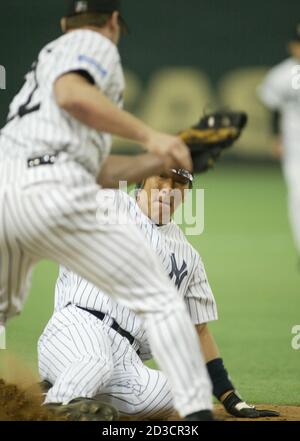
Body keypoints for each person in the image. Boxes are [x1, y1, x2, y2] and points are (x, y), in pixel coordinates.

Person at [0, 0, 213, 421]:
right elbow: (72, 94)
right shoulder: (92, 45)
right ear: (113, 22)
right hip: (47, 197)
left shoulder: (43, 70)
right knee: (150, 307)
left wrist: (158, 160)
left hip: (16, 189)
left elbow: (101, 169)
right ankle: (60, 404)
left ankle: (56, 392)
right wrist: (151, 135)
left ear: (64, 21)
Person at [38, 168, 279, 420]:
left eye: (179, 183)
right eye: (161, 177)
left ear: (186, 194)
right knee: (94, 362)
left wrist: (230, 397)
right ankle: (58, 403)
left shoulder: (188, 257)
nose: (168, 189)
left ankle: (57, 394)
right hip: (77, 328)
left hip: (126, 357)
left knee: (174, 391)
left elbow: (199, 331)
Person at [258, 23, 300, 257]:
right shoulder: (282, 75)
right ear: (292, 46)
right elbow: (272, 107)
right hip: (296, 148)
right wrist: (275, 136)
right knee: (298, 196)